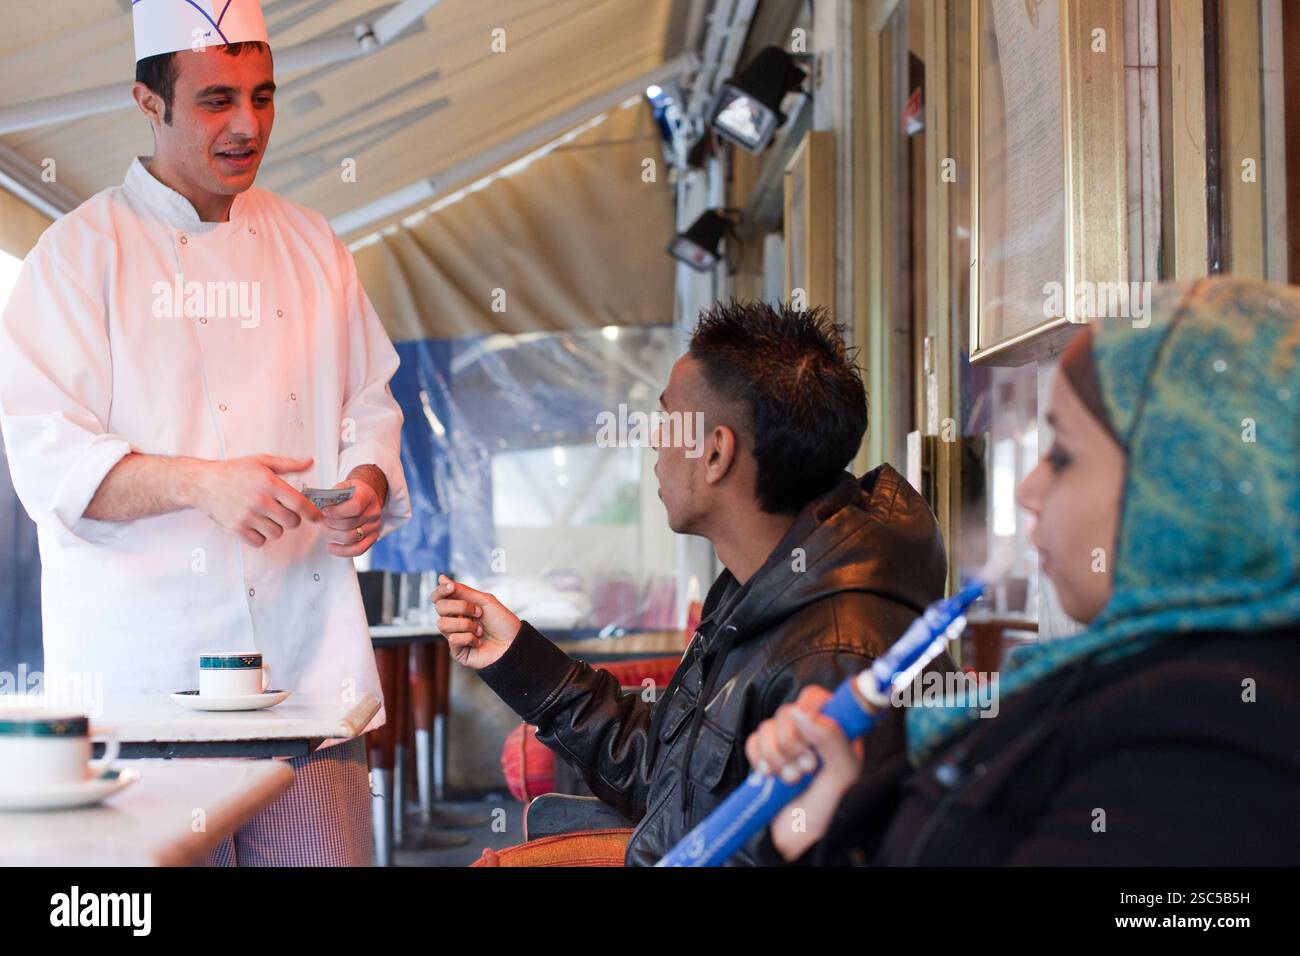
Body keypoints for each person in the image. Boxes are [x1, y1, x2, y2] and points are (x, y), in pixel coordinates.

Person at [0, 1, 410, 865]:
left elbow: (370, 402)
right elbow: (50, 466)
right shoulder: (76, 259)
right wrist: (201, 482)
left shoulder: (313, 245)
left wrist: (367, 481)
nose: (248, 124)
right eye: (217, 100)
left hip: (307, 685)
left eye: (264, 96)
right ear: (150, 103)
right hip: (142, 704)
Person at [746, 276, 1300, 865]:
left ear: (1181, 482)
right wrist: (818, 821)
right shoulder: (1123, 680)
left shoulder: (1209, 744)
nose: (1031, 489)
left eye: (1062, 455)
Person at [434, 301, 949, 865]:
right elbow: (660, 776)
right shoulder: (755, 590)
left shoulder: (838, 653)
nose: (654, 441)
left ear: (716, 453)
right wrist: (515, 656)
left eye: (667, 420)